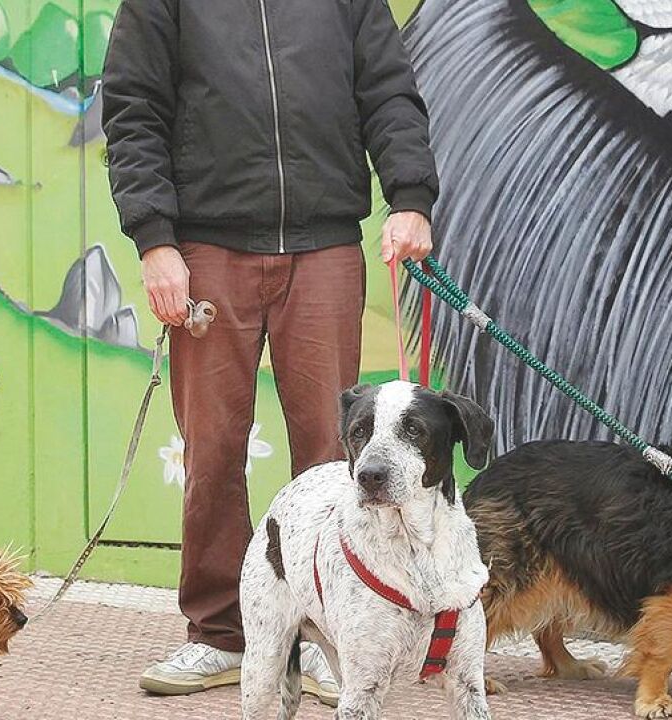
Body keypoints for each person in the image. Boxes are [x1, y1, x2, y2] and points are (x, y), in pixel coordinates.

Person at [101, 0, 438, 705]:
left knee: (330, 454)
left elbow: (388, 88)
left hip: (324, 245)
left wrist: (409, 195)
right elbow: (134, 108)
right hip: (206, 247)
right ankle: (219, 636)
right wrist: (155, 241)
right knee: (213, 450)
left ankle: (317, 636)